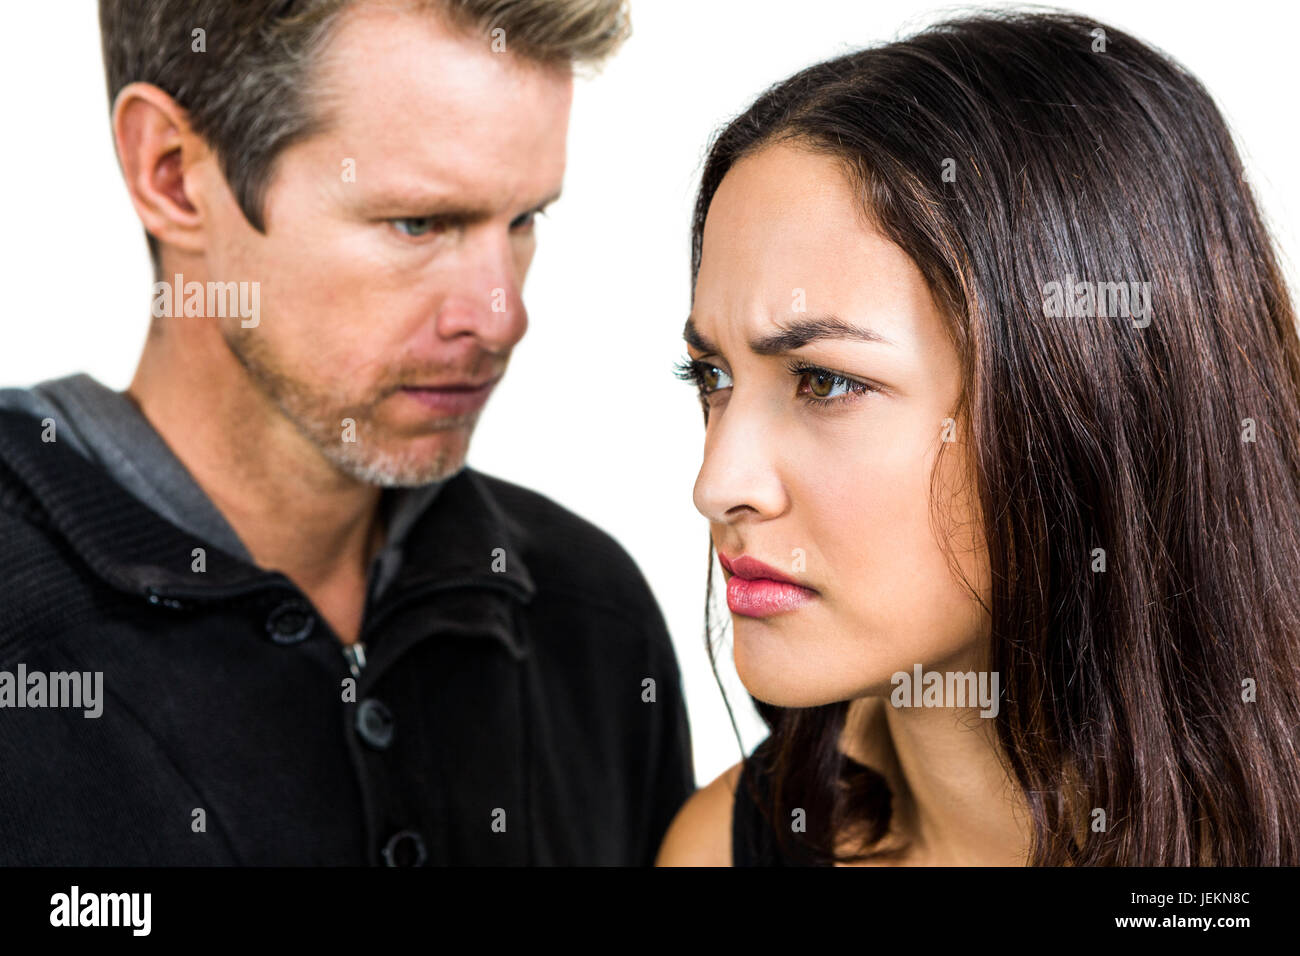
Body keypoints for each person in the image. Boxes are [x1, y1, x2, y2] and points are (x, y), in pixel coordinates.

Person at [0, 0, 694, 866]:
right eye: (419, 223)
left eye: (523, 222)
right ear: (173, 174)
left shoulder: (589, 618)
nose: (504, 316)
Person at [657, 9, 1300, 866]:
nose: (718, 482)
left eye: (827, 381)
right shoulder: (726, 848)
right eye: (713, 377)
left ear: (1091, 397)